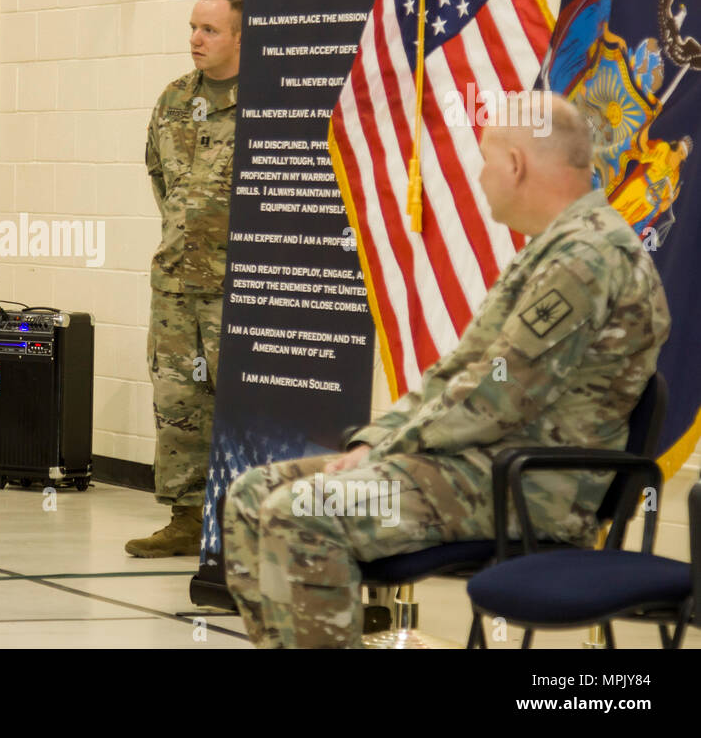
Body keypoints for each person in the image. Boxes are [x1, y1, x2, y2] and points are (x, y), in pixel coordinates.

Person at [222, 93, 670, 647]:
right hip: (475, 464)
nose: (480, 177)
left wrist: (386, 451)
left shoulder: (587, 256)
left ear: (514, 164)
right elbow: (454, 372)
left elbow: (495, 398)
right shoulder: (550, 251)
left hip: (528, 484)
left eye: (485, 161)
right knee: (248, 493)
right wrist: (374, 440)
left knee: (301, 511)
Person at [128, 0, 241, 558]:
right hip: (174, 283)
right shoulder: (175, 98)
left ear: (242, 37)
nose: (195, 39)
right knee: (177, 404)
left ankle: (243, 523)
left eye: (211, 31)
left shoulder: (269, 102)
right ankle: (185, 517)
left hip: (236, 288)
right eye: (194, 27)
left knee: (239, 403)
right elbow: (159, 175)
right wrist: (185, 233)